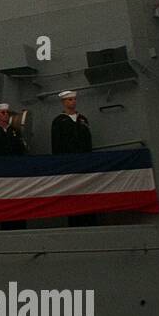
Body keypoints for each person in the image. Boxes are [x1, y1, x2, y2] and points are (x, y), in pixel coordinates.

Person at [52, 91, 94, 226]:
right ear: (64, 102)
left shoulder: (82, 119)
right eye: (70, 100)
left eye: (74, 99)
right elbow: (56, 144)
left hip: (84, 161)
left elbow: (88, 140)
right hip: (69, 163)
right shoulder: (59, 121)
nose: (73, 102)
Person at [0, 103, 27, 229]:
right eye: (2, 112)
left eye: (7, 112)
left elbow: (20, 149)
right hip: (0, 173)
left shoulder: (13, 131)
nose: (5, 115)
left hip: (15, 172)